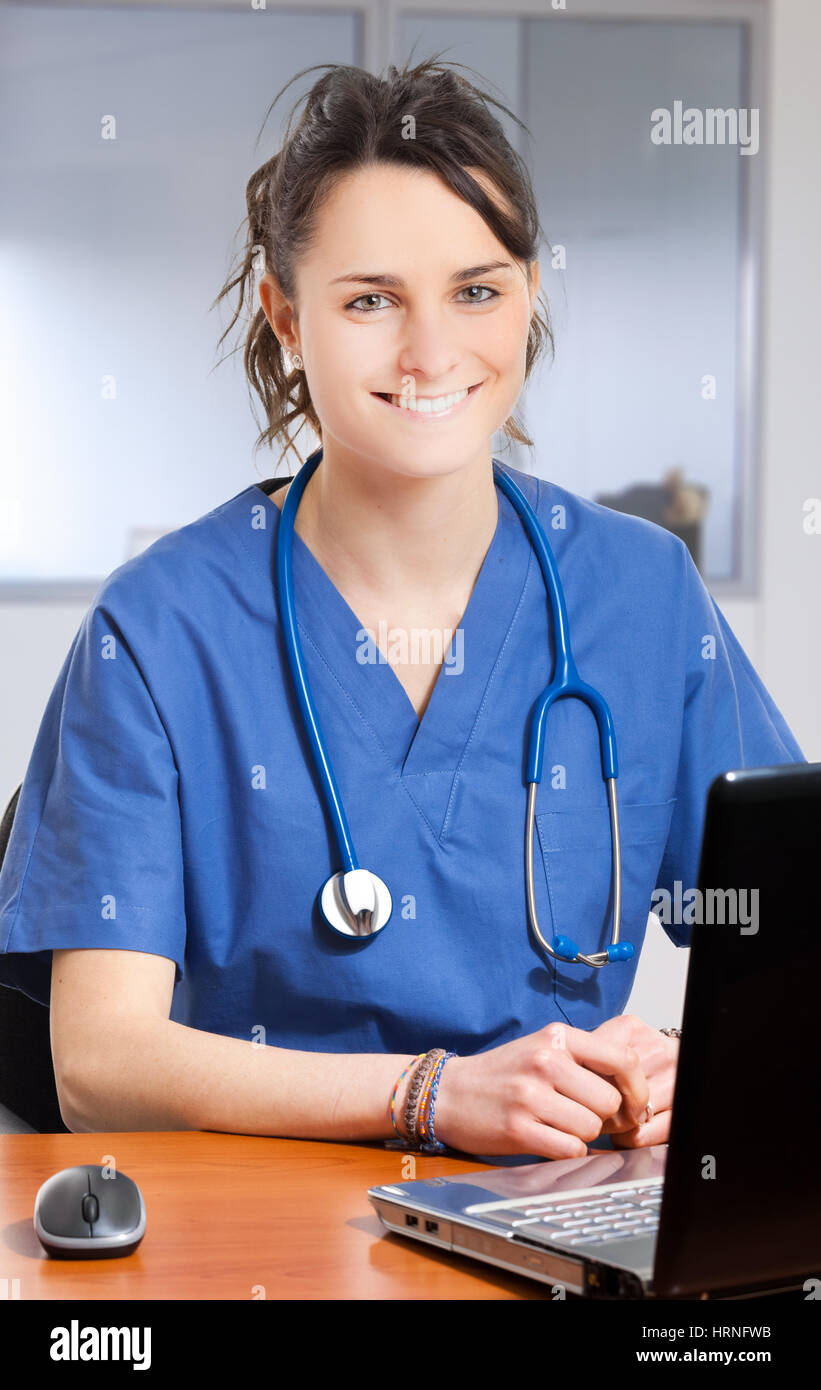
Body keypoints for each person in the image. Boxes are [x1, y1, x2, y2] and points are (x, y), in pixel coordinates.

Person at [0, 57, 805, 1158]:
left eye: (477, 290)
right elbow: (97, 1065)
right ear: (286, 317)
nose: (431, 353)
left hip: (555, 1221)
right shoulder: (162, 628)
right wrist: (429, 1094)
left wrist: (677, 1061)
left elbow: (779, 945)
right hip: (255, 1232)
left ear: (529, 294)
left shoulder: (642, 592)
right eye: (370, 300)